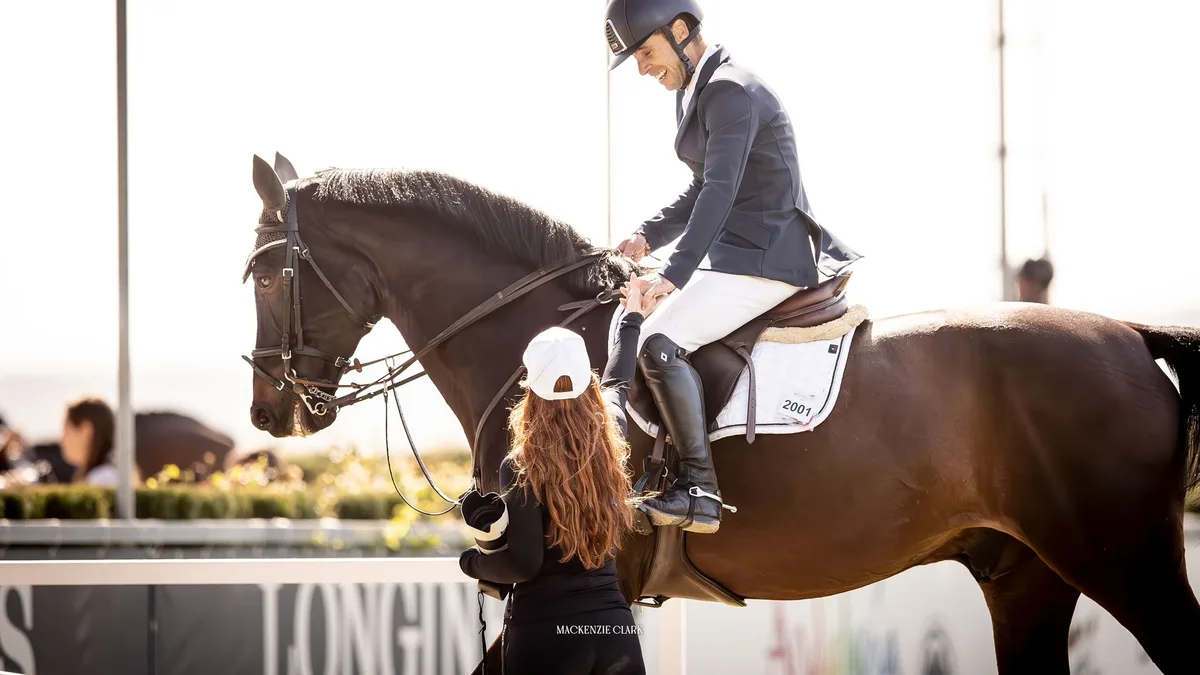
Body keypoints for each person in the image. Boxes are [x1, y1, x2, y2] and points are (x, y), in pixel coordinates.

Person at [603, 0, 862, 533]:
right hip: (739, 254)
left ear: (680, 30)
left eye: (646, 52)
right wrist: (646, 234)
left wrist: (672, 275)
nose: (642, 67)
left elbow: (718, 194)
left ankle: (699, 490)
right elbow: (703, 187)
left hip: (766, 259)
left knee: (656, 343)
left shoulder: (729, 91)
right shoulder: (701, 90)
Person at [458, 273, 655, 675]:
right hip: (614, 631)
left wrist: (473, 563)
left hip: (548, 637)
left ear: (531, 389)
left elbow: (523, 565)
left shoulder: (522, 465)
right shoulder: (611, 438)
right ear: (589, 382)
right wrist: (632, 317)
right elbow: (621, 375)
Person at [61, 397, 125, 486]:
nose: (62, 440)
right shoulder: (103, 475)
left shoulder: (102, 480)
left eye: (66, 431)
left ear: (86, 431)